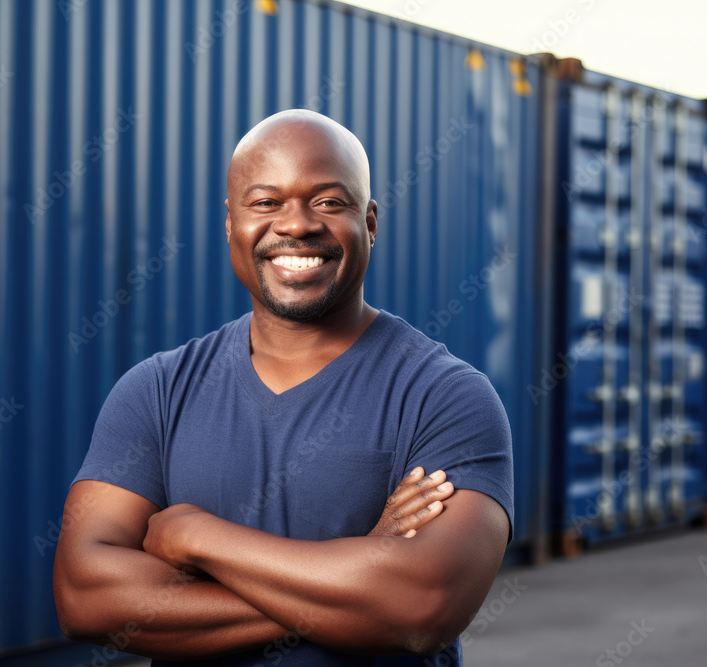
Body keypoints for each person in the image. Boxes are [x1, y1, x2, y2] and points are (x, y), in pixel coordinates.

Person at [53, 109, 514, 666]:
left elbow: (421, 608)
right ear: (231, 223)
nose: (296, 225)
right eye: (266, 202)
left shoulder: (446, 397)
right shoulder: (156, 390)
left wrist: (197, 536)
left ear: (369, 222)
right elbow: (85, 599)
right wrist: (361, 577)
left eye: (328, 202)